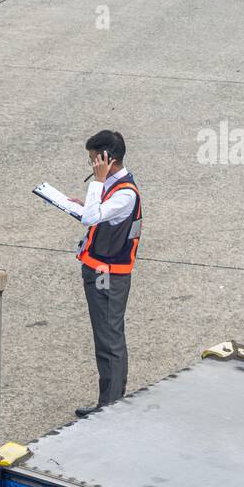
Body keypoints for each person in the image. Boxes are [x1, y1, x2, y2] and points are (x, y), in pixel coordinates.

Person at [72, 130, 142, 417]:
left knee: (108, 342)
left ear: (106, 159)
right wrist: (83, 203)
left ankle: (109, 410)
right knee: (111, 337)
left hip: (108, 278)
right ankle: (112, 401)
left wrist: (97, 183)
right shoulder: (114, 187)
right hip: (104, 274)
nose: (91, 166)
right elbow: (95, 214)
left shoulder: (124, 193)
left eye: (93, 160)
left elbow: (93, 217)